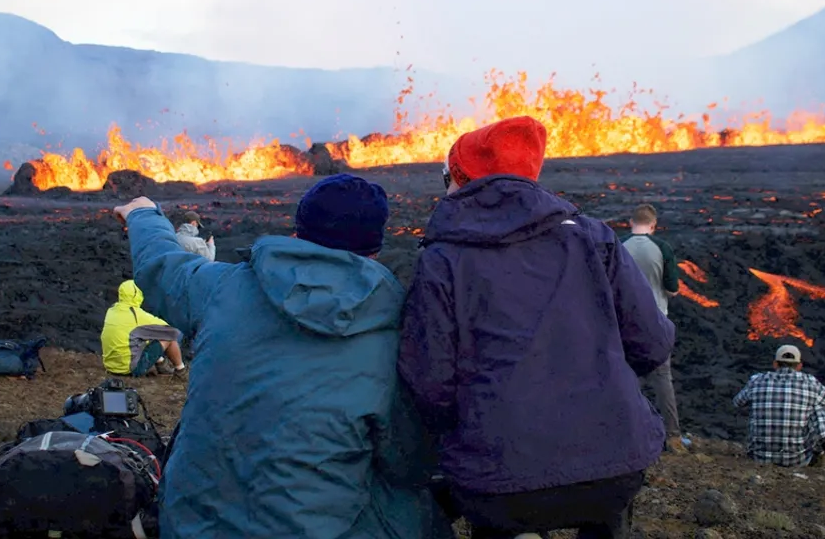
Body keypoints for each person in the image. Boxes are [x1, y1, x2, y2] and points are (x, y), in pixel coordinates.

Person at [113, 176, 453, 539]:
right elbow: (407, 463)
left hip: (192, 525)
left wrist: (144, 214)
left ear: (298, 231)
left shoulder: (222, 287)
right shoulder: (394, 330)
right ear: (374, 249)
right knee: (414, 507)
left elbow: (163, 268)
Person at [398, 116, 676, 539]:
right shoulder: (594, 238)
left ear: (462, 179)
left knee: (504, 504)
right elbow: (653, 345)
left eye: (447, 177)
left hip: (498, 476)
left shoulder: (444, 259)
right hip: (613, 463)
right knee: (604, 501)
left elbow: (430, 383)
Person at [621, 203, 687, 454]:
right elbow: (672, 288)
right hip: (656, 321)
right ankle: (673, 436)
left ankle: (626, 432)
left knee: (626, 376)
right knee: (662, 378)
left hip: (625, 321)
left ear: (630, 221)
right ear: (653, 225)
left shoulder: (618, 245)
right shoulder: (662, 248)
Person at [733, 345, 825, 468]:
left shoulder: (757, 381)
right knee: (819, 408)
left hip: (759, 457)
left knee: (758, 406)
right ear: (799, 366)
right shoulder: (810, 383)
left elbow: (737, 403)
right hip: (798, 460)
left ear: (775, 364)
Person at [101, 279, 186, 377]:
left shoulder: (112, 310)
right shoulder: (138, 316)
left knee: (143, 336)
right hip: (129, 369)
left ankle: (162, 365)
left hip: (110, 366)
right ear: (137, 294)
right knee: (167, 337)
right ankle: (181, 370)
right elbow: (172, 332)